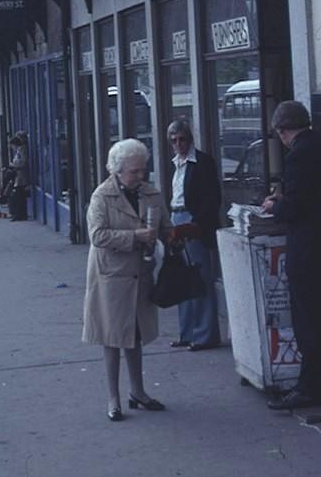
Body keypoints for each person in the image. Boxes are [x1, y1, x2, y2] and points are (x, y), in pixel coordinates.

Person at [262, 100, 321, 410]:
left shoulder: (298, 156)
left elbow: (295, 207)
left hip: (306, 247)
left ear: (283, 131)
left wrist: (274, 205)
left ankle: (309, 386)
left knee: (307, 319)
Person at [82, 138, 171, 421]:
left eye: (142, 169)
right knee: (112, 336)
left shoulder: (151, 193)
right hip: (112, 275)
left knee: (135, 335)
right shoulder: (101, 196)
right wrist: (135, 237)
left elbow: (166, 226)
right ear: (117, 170)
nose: (140, 176)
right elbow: (97, 236)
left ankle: (138, 392)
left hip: (140, 273)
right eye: (134, 171)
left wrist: (172, 236)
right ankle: (113, 398)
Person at [167, 118, 221, 351]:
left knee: (200, 279)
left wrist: (197, 224)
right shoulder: (176, 164)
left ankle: (205, 335)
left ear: (190, 140)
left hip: (193, 220)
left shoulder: (202, 163)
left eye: (182, 139)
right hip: (176, 217)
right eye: (174, 141)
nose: (178, 144)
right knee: (182, 278)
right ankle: (187, 332)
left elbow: (212, 198)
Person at [8, 132, 29, 221]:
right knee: (18, 195)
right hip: (18, 175)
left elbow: (24, 162)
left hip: (21, 175)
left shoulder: (22, 150)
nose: (12, 148)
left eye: (12, 146)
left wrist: (14, 165)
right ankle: (18, 214)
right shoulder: (18, 150)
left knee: (20, 196)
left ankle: (20, 214)